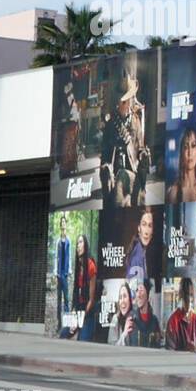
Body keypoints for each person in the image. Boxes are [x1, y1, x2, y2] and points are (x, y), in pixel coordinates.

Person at [99, 58, 150, 208]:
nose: (125, 104)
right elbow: (105, 154)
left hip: (133, 172)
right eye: (122, 101)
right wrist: (106, 170)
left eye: (127, 100)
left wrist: (143, 155)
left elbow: (139, 146)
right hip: (117, 176)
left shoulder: (136, 121)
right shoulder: (110, 125)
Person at [167, 124, 196, 205]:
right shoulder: (174, 192)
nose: (189, 152)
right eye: (185, 147)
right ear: (182, 152)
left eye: (193, 145)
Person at [72, 234, 98, 342]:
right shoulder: (78, 267)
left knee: (81, 339)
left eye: (81, 242)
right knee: (64, 334)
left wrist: (80, 319)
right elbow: (75, 294)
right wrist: (74, 315)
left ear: (86, 245)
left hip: (88, 312)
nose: (79, 245)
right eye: (77, 243)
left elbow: (91, 301)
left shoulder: (91, 266)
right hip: (79, 309)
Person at [165, 277, 196, 352]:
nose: (189, 299)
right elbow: (169, 353)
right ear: (181, 295)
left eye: (191, 295)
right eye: (186, 295)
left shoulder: (195, 318)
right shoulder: (173, 321)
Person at [125, 207, 156, 283]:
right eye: (144, 224)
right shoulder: (137, 254)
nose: (146, 231)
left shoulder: (142, 250)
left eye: (150, 225)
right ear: (139, 228)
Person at [131, 278, 161, 348]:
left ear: (148, 294)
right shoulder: (131, 319)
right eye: (137, 291)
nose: (138, 295)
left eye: (141, 290)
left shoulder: (154, 321)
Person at [55, 216, 71, 331]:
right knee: (59, 300)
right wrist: (55, 272)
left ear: (66, 224)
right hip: (59, 274)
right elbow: (56, 257)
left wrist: (69, 271)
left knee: (66, 299)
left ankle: (66, 325)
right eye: (62, 222)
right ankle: (59, 324)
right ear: (60, 225)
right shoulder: (58, 241)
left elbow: (69, 257)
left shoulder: (69, 241)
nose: (63, 224)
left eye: (64, 222)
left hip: (65, 274)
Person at [110, 281, 134, 346]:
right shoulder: (115, 319)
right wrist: (124, 334)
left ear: (130, 299)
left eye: (125, 296)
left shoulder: (134, 317)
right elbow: (111, 349)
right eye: (120, 297)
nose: (122, 301)